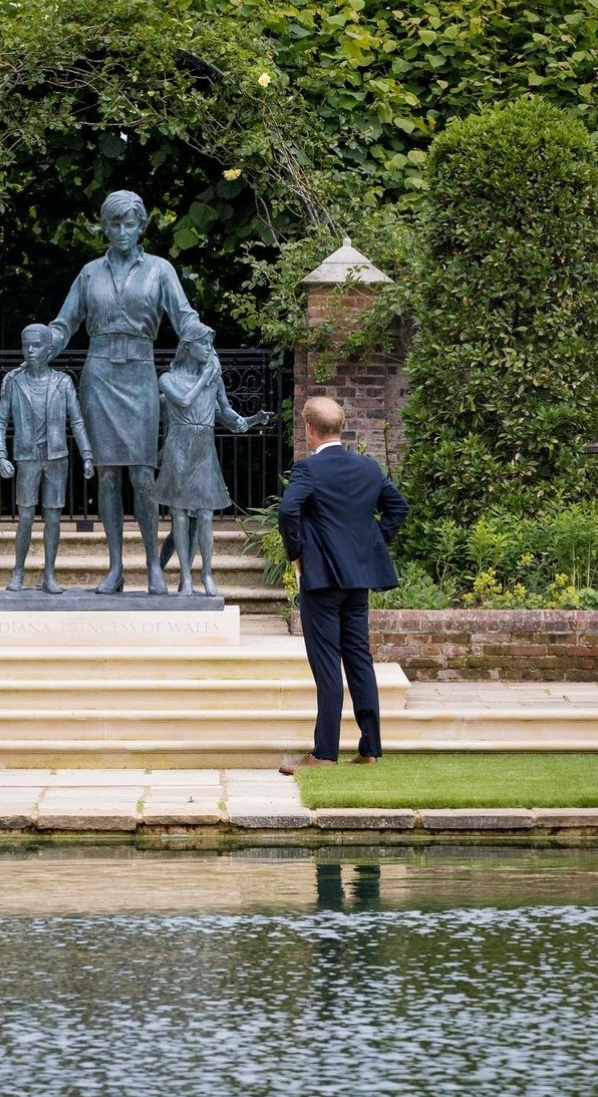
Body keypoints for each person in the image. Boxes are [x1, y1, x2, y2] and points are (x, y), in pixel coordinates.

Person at [47, 190, 204, 595]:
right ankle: (115, 567)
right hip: (99, 376)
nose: (121, 231)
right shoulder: (89, 274)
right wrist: (44, 343)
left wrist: (201, 338)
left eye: (128, 224)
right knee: (107, 475)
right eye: (114, 224)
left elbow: (184, 316)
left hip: (139, 374)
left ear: (141, 227)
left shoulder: (160, 270)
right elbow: (65, 324)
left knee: (142, 473)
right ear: (105, 226)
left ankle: (153, 565)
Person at [276, 396, 408, 774]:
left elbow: (287, 509)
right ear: (341, 426)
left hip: (321, 582)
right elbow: (397, 507)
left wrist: (298, 554)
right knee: (359, 660)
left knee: (327, 666)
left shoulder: (308, 469)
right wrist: (371, 545)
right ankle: (370, 748)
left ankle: (324, 754)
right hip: (357, 581)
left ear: (309, 429)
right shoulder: (367, 467)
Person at [144, 322, 272, 596]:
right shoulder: (168, 379)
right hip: (178, 448)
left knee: (205, 514)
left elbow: (227, 414)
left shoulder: (214, 380)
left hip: (204, 450)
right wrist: (205, 378)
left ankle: (207, 574)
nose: (209, 349)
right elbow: (184, 401)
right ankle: (185, 578)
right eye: (204, 344)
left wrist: (253, 420)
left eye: (211, 344)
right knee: (179, 515)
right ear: (187, 346)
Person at [0, 323, 92, 594]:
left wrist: (87, 455)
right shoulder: (14, 382)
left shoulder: (63, 382)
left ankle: (49, 574)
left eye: (36, 345)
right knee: (25, 517)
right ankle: (18, 571)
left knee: (54, 518)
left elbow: (77, 421)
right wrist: (1, 456)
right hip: (27, 457)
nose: (30, 350)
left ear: (49, 349)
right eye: (26, 345)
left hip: (57, 457)